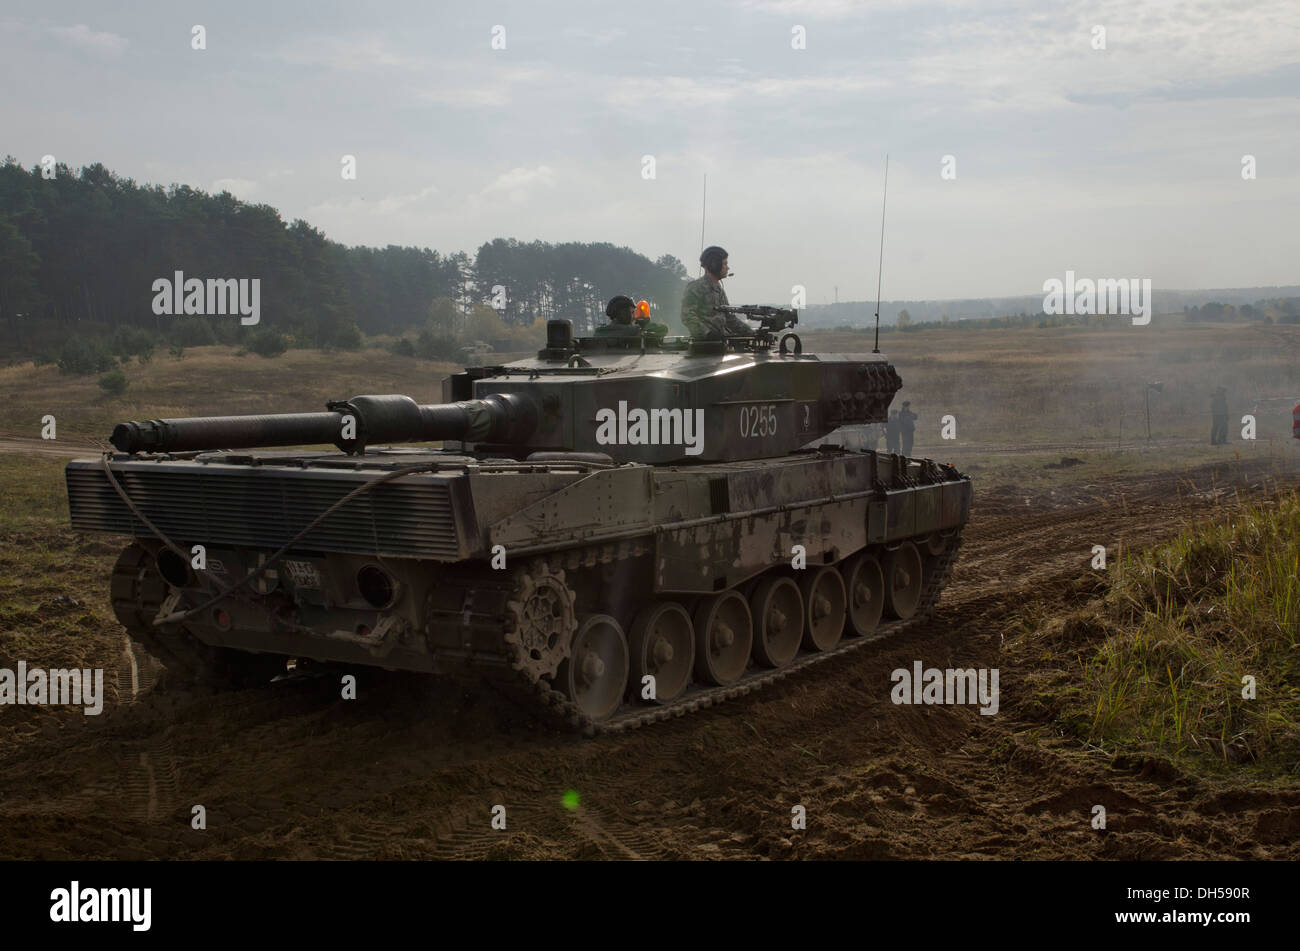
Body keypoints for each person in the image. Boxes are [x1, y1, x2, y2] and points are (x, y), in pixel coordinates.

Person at [680, 246, 750, 340]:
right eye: (725, 264)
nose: (728, 268)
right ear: (714, 265)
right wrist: (707, 334)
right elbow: (687, 316)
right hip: (703, 348)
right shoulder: (696, 287)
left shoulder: (719, 289)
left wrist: (751, 332)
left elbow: (729, 319)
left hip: (720, 344)